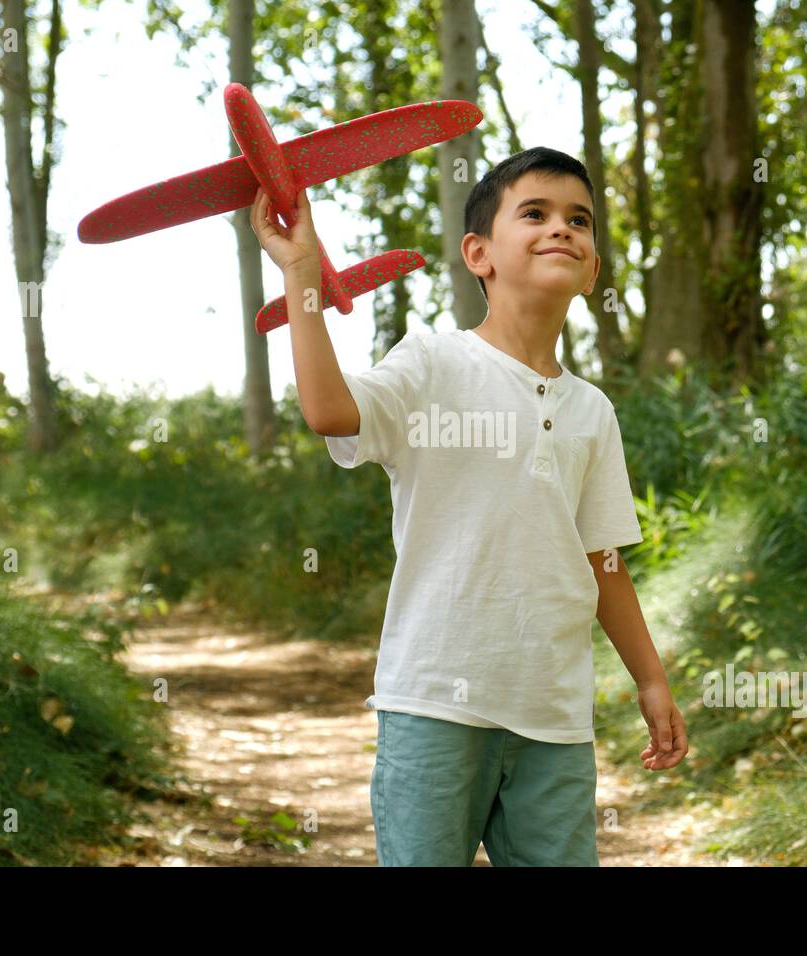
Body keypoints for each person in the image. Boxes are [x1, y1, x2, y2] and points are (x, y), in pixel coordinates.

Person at [250, 146, 688, 867]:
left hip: (554, 718)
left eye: (580, 220)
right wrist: (301, 272)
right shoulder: (431, 363)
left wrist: (650, 678)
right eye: (536, 213)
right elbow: (330, 410)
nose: (563, 229)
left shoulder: (593, 411)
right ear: (478, 253)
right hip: (434, 707)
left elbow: (602, 559)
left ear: (593, 268)